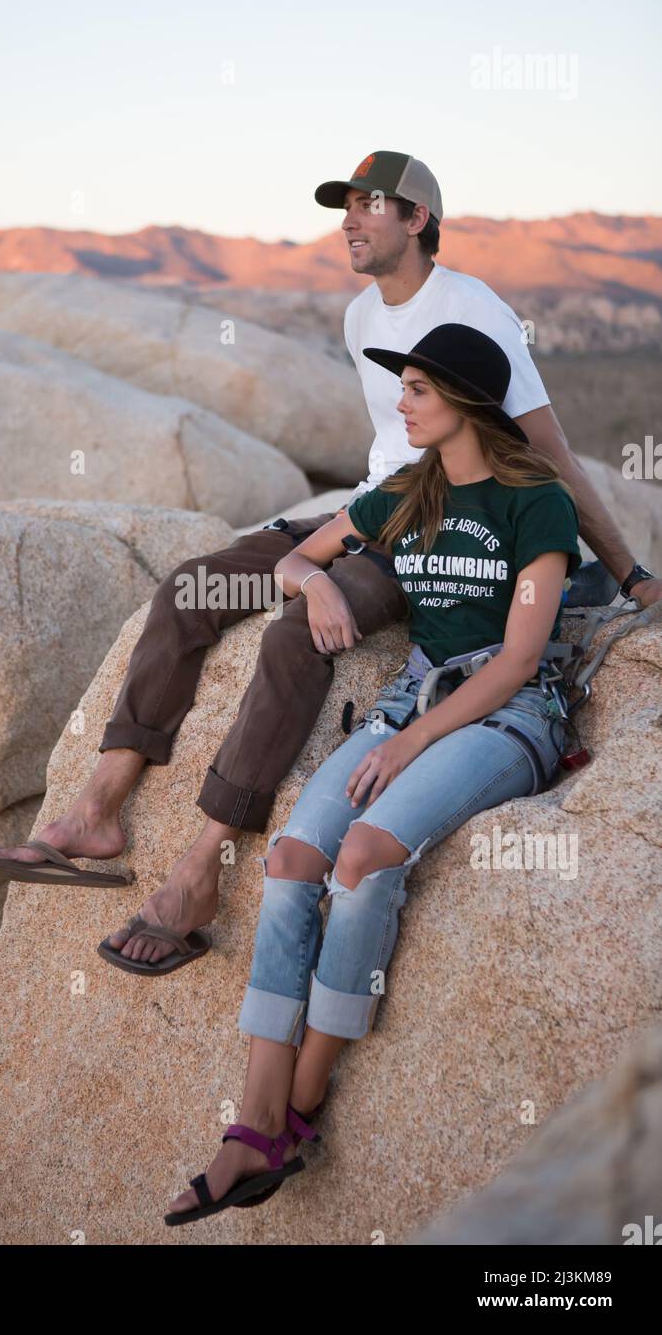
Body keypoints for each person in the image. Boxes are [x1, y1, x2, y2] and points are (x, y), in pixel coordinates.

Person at [0, 150, 659, 974]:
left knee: (294, 638)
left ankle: (199, 871)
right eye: (348, 204)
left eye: (373, 204)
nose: (351, 220)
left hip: (429, 531)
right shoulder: (361, 316)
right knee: (193, 587)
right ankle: (97, 811)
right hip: (365, 509)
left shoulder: (475, 312)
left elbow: (547, 452)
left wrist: (629, 573)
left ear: (418, 220)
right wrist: (309, 567)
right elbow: (382, 463)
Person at [164, 322, 584, 1222]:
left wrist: (409, 742)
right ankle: (252, 1123)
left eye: (420, 388)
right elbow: (291, 557)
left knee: (361, 859)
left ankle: (300, 1106)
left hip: (504, 713)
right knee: (290, 863)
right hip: (409, 700)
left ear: (466, 400)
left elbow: (518, 659)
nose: (403, 401)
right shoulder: (407, 491)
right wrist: (316, 585)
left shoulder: (534, 502)